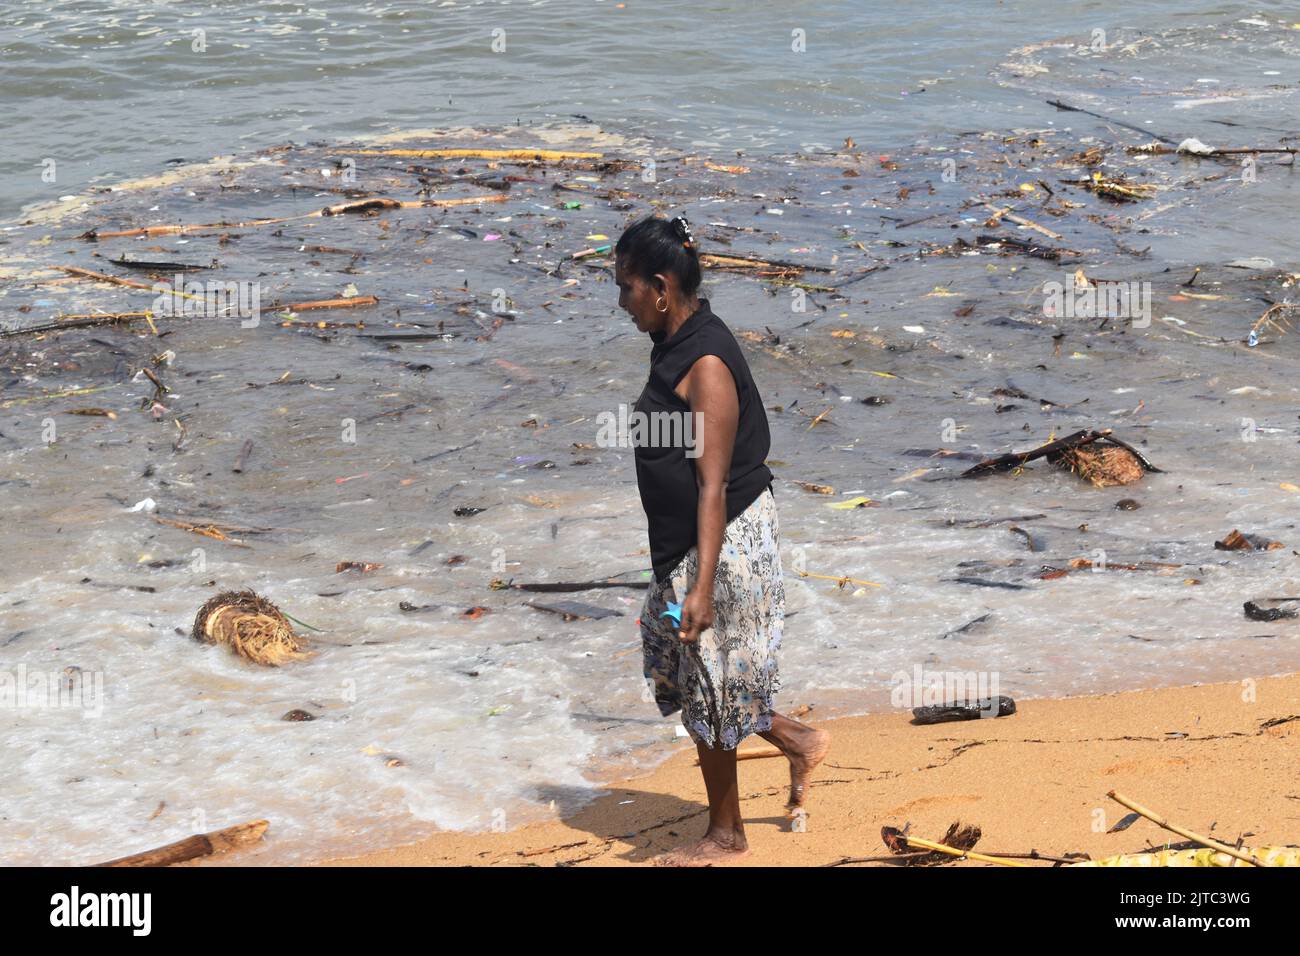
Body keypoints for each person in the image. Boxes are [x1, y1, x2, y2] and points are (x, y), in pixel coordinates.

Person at [614, 213, 831, 866]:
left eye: (625, 287)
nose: (620, 302)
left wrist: (703, 585)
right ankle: (795, 739)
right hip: (686, 550)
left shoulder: (705, 361)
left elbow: (712, 485)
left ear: (659, 285)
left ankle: (727, 835)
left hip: (724, 546)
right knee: (682, 668)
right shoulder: (673, 340)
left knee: (710, 684)